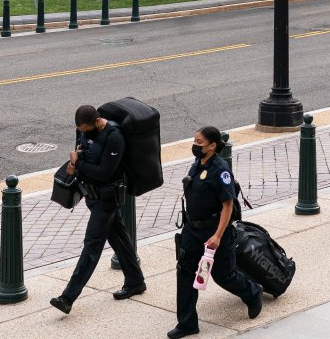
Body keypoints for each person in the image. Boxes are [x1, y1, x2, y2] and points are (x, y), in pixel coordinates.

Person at [167, 127, 262, 339]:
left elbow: (228, 205)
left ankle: (253, 292)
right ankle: (187, 323)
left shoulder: (221, 169)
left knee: (223, 275)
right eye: (195, 141)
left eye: (200, 142)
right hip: (192, 229)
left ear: (212, 145)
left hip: (215, 231)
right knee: (185, 271)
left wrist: (218, 236)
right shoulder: (197, 164)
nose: (195, 145)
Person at [50, 105, 146, 314]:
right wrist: (73, 165)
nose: (82, 133)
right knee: (119, 239)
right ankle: (136, 281)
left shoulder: (114, 137)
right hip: (91, 196)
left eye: (85, 129)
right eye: (80, 130)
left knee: (92, 247)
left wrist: (79, 163)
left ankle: (68, 297)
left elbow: (105, 172)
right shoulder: (83, 131)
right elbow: (81, 155)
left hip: (107, 199)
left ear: (97, 121)